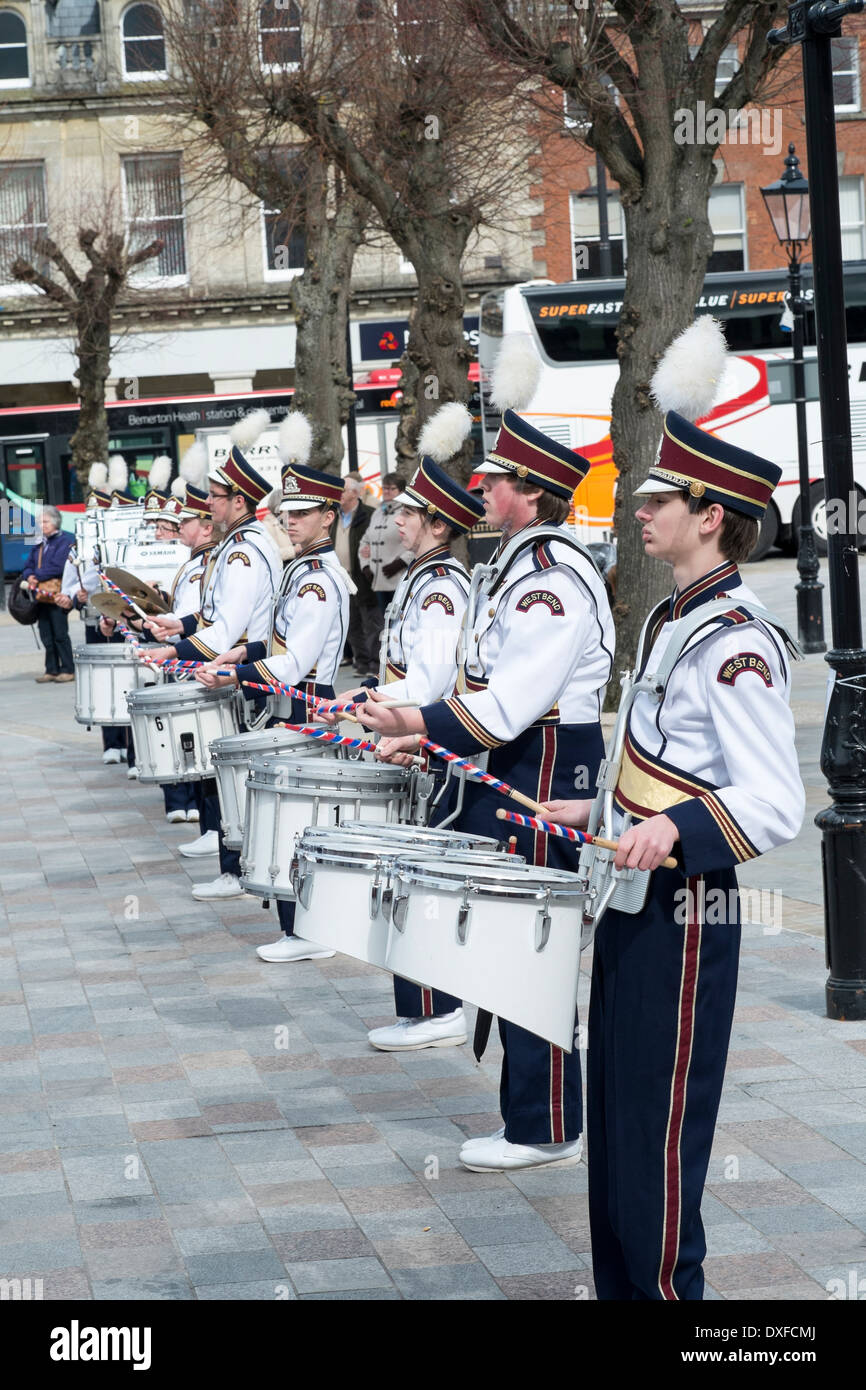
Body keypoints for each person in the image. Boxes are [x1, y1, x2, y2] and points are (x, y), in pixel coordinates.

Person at [542, 411, 805, 1300]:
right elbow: (659, 755)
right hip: (628, 895)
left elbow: (774, 800)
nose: (639, 512)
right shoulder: (667, 615)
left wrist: (675, 832)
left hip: (687, 911)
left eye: (659, 500)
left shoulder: (737, 641)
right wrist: (600, 807)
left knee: (657, 1129)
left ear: (711, 516)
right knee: (616, 1117)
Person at [356, 409, 614, 1173]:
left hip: (543, 766)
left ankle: (545, 1125)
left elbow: (508, 704)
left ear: (529, 495)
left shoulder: (551, 583)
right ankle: (529, 1114)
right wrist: (419, 732)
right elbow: (486, 693)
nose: (485, 489)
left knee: (526, 944)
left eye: (496, 480)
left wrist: (412, 718)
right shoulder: (516, 569)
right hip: (512, 761)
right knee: (503, 938)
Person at [328, 456, 483, 1044]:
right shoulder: (422, 577)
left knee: (422, 873)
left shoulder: (442, 587)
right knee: (409, 871)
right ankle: (423, 1006)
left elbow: (431, 681)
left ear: (438, 525)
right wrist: (362, 698)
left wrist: (366, 700)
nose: (396, 518)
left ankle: (438, 1009)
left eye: (409, 512)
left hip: (431, 743)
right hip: (410, 734)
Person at [195, 460, 350, 952]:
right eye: (289, 512)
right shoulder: (301, 568)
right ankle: (299, 926)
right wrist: (247, 652)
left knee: (299, 823)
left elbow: (297, 662)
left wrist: (234, 671)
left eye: (304, 513)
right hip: (292, 701)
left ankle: (308, 930)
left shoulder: (318, 579)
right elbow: (282, 648)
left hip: (308, 704)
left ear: (329, 516)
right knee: (289, 820)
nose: (292, 520)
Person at [143, 445, 281, 896]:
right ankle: (231, 863)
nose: (210, 505)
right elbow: (211, 615)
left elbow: (228, 630)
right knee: (226, 773)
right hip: (230, 672)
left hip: (244, 680)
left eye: (217, 497)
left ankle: (236, 870)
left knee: (236, 776)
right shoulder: (235, 546)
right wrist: (178, 626)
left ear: (238, 501)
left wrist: (175, 652)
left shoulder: (244, 551)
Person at [20, 506, 75, 683]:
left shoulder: (65, 540)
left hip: (57, 594)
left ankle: (67, 668)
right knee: (46, 633)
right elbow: (28, 564)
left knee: (60, 633)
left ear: (55, 522)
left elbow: (59, 566)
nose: (41, 525)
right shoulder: (39, 542)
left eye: (44, 522)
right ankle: (51, 669)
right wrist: (29, 576)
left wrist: (37, 577)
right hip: (40, 596)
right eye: (39, 522)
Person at [334, 472, 380, 678]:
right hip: (342, 577)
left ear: (354, 493)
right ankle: (361, 662)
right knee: (351, 622)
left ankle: (375, 663)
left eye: (342, 491)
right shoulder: (334, 515)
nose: (339, 495)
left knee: (371, 621)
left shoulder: (369, 514)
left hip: (363, 576)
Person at [358, 472, 413, 615]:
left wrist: (401, 562)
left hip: (399, 578)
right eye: (385, 488)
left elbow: (417, 542)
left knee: (400, 617)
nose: (387, 492)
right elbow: (365, 541)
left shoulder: (408, 512)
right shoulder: (377, 512)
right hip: (379, 580)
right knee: (385, 620)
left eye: (391, 488)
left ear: (401, 491)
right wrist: (365, 566)